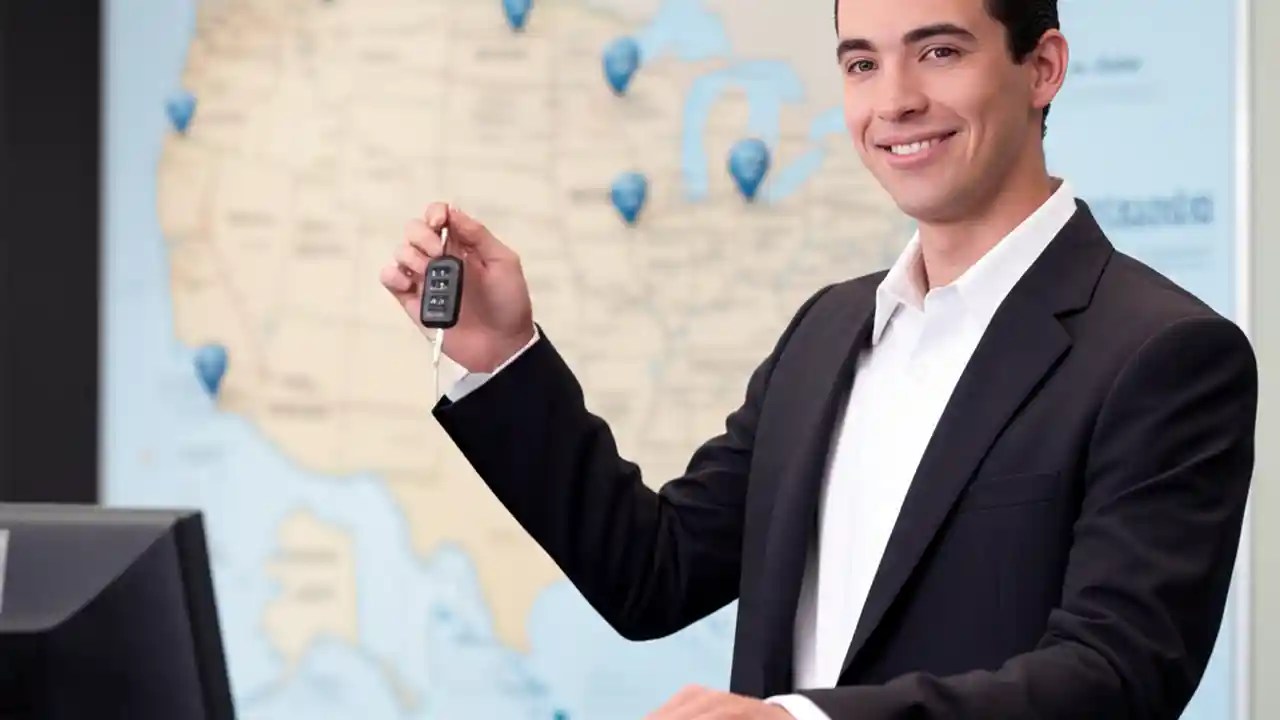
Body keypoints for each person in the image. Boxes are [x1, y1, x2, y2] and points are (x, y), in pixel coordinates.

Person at [379, 0, 1258, 716]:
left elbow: (1117, 677)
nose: (895, 101)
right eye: (861, 63)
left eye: (939, 51)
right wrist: (499, 355)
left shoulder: (1166, 353)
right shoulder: (828, 329)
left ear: (1043, 68)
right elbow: (657, 574)